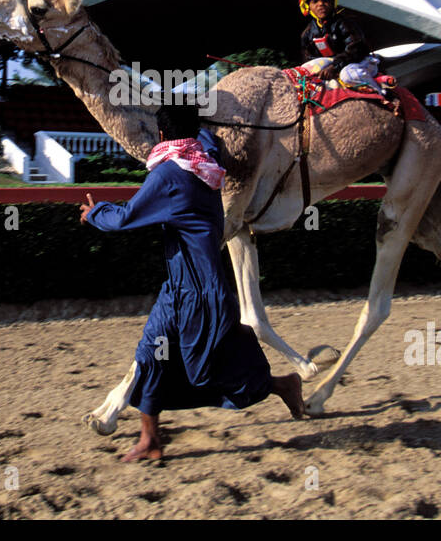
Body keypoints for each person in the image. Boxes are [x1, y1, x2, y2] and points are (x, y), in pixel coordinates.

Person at [79, 103, 305, 462]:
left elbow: (124, 218)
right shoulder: (205, 163)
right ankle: (150, 440)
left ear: (162, 136)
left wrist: (95, 213)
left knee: (208, 373)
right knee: (149, 356)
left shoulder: (170, 175)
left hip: (201, 296)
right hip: (179, 290)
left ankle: (281, 385)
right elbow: (207, 139)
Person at [298, 0, 389, 95]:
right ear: (307, 6)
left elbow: (356, 50)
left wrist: (334, 67)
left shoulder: (344, 22)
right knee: (306, 74)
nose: (321, 4)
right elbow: (309, 59)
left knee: (348, 75)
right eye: (315, 1)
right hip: (336, 64)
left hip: (359, 62)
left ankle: (382, 95)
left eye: (325, 0)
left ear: (332, 2)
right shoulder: (308, 33)